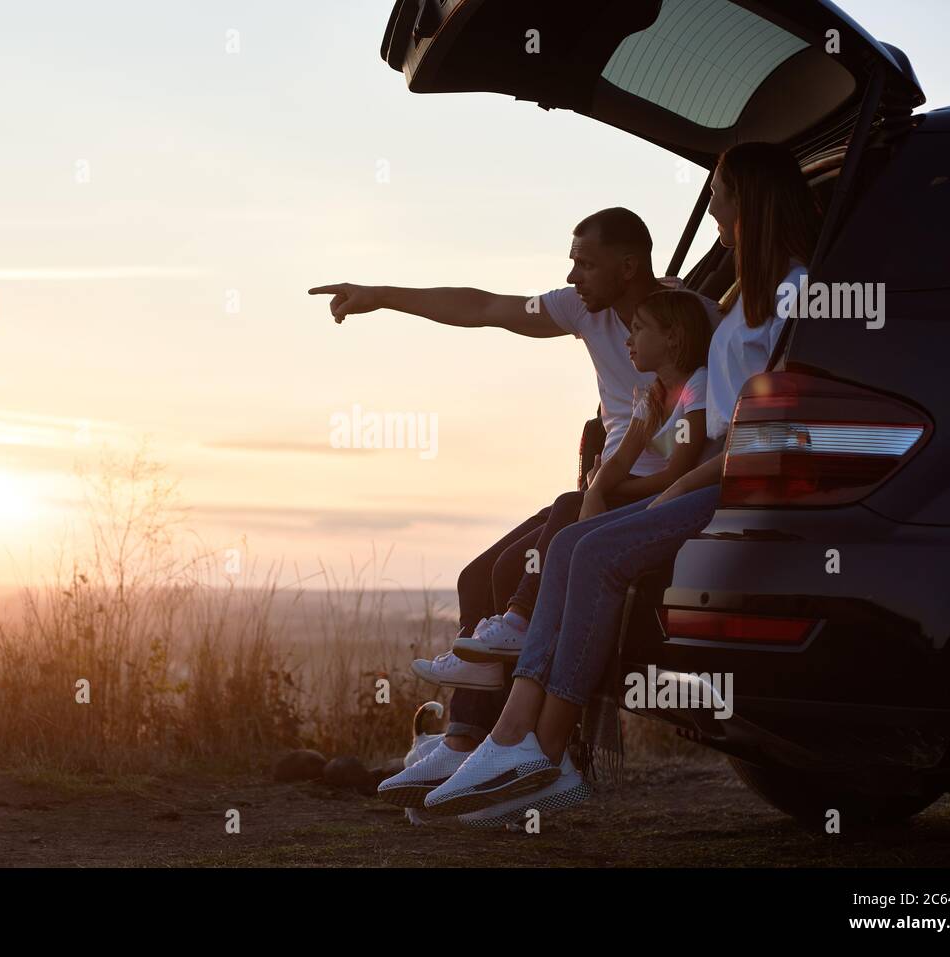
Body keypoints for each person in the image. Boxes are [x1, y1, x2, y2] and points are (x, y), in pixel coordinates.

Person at [412, 141, 823, 826]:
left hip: (735, 480)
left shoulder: (793, 293)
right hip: (709, 473)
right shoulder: (748, 300)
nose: (711, 202)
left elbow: (773, 424)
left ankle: (540, 749)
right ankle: (515, 739)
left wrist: (674, 483)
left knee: (592, 550)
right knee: (573, 544)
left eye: (720, 192)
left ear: (748, 201)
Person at [310, 210, 719, 771]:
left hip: (639, 493)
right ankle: (460, 745)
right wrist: (380, 295)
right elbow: (483, 306)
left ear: (628, 267)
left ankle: (517, 743)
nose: (572, 275)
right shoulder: (583, 310)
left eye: (585, 262)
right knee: (477, 577)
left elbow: (719, 415)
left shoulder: (692, 319)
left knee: (522, 563)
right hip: (605, 484)